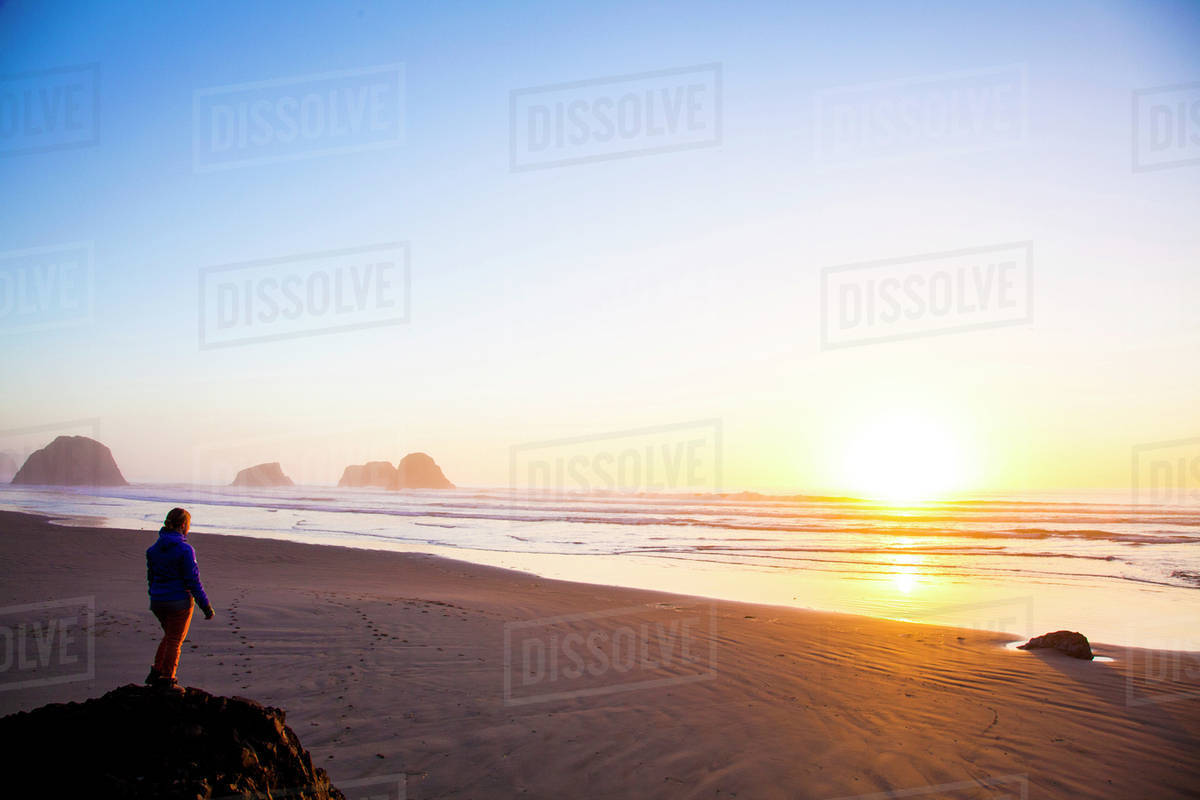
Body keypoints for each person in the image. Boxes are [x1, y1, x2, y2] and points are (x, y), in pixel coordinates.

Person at [145, 507, 214, 689]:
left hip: (158, 602)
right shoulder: (185, 550)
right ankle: (167, 679)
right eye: (188, 525)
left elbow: (151, 578)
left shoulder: (153, 550)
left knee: (169, 637)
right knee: (175, 640)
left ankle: (156, 671)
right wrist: (205, 606)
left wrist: (154, 594)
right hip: (178, 603)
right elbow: (193, 581)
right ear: (183, 525)